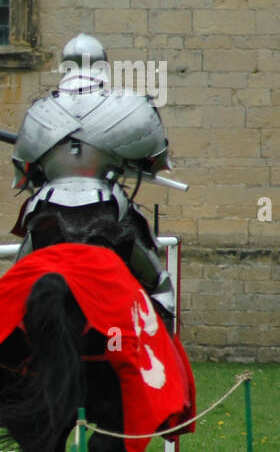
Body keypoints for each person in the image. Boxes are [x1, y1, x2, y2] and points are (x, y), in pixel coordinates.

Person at [10, 33, 176, 320]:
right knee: (159, 284)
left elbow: (23, 175)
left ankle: (4, 350)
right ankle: (160, 349)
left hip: (48, 207)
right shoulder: (130, 105)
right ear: (102, 66)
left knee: (14, 286)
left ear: (64, 66)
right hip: (106, 207)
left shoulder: (40, 110)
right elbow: (157, 161)